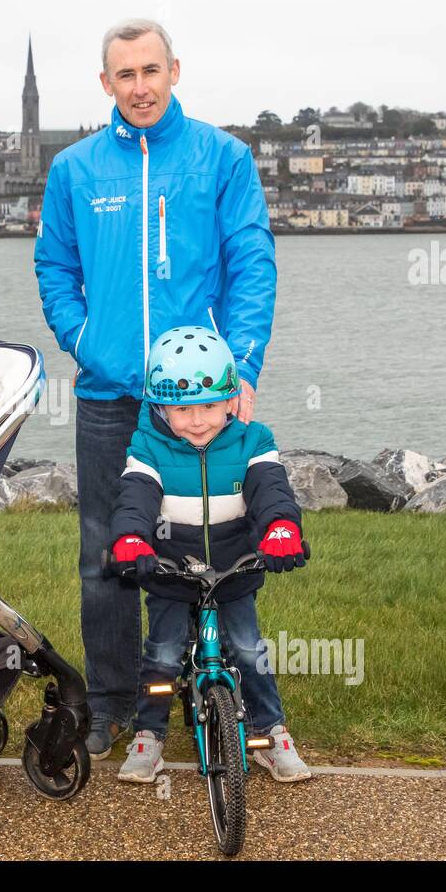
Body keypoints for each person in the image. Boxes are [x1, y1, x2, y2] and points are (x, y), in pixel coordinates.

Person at [35, 19, 278, 759]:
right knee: (109, 554)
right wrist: (86, 344)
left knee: (215, 546)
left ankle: (234, 704)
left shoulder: (222, 157)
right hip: (109, 396)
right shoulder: (75, 170)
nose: (139, 86)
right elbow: (54, 268)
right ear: (105, 83)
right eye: (124, 75)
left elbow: (251, 263)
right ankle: (115, 704)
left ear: (175, 70)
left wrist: (241, 365)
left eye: (151, 70)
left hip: (201, 397)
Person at [109, 327, 311, 783]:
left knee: (247, 649)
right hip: (169, 571)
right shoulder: (148, 447)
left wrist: (281, 528)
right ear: (160, 407)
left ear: (230, 400)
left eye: (208, 406)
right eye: (181, 409)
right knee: (162, 655)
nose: (197, 420)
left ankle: (269, 734)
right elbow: (135, 498)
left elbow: (272, 491)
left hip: (234, 569)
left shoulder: (252, 440)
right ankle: (149, 734)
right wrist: (131, 540)